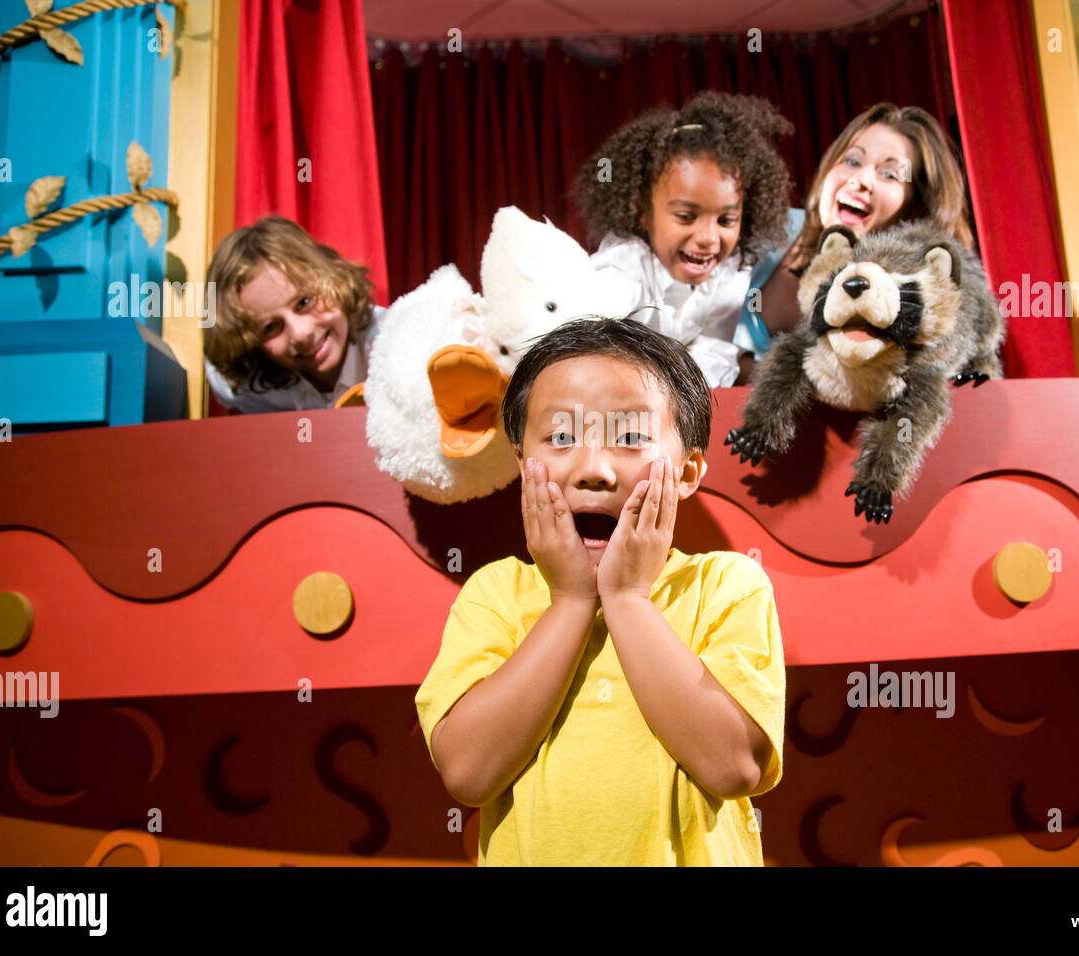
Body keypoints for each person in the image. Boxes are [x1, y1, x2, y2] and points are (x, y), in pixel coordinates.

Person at [414, 317, 786, 866]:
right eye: (561, 437)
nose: (594, 470)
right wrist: (570, 602)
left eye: (631, 438)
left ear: (687, 472)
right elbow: (468, 773)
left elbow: (735, 767)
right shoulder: (495, 593)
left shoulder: (727, 585)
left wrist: (629, 598)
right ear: (523, 464)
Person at [571, 91, 794, 389]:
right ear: (642, 213)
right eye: (686, 217)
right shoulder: (622, 267)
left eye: (726, 220)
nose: (708, 238)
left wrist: (680, 390)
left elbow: (716, 349)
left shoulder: (733, 271)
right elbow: (586, 348)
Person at [747, 102, 973, 345]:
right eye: (853, 161)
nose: (860, 180)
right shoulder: (766, 227)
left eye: (889, 174)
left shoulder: (904, 302)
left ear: (913, 207)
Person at [202, 216, 388, 413]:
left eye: (304, 302)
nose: (301, 334)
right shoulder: (249, 383)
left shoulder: (390, 346)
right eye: (270, 327)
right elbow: (219, 376)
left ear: (334, 277)